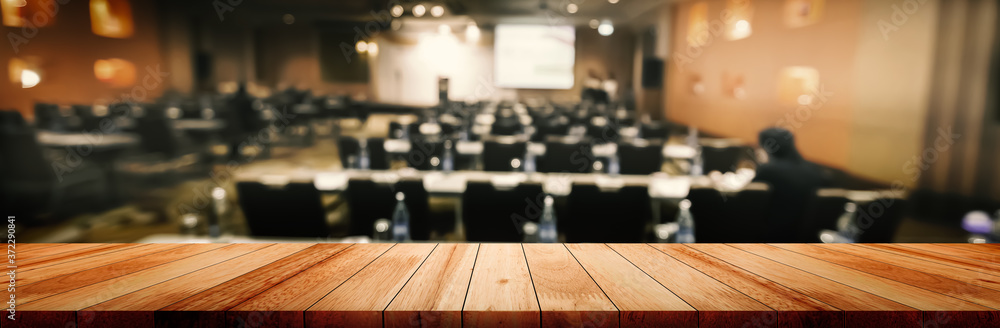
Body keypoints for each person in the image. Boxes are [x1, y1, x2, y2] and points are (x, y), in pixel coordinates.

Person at [752, 127, 828, 242]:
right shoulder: (815, 171)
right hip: (809, 237)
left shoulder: (769, 171)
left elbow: (751, 202)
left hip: (773, 237)